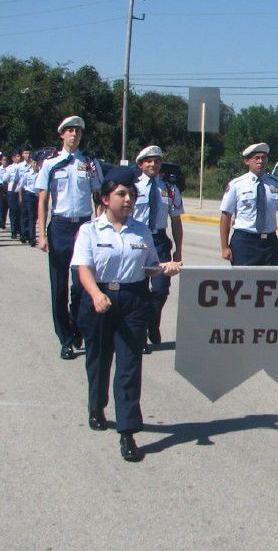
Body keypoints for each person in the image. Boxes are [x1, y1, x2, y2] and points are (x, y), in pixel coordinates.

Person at [72, 165, 181, 462]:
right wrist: (96, 294)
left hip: (134, 299)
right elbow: (83, 268)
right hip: (99, 297)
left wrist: (164, 268)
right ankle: (97, 405)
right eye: (122, 194)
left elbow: (148, 266)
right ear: (106, 199)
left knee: (130, 366)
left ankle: (127, 431)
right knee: (98, 359)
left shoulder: (141, 230)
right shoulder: (89, 230)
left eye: (132, 194)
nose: (129, 199)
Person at [35, 116, 103, 360]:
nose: (75, 134)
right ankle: (65, 337)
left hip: (84, 227)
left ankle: (78, 327)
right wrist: (42, 234)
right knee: (59, 286)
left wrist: (98, 225)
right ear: (62, 135)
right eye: (70, 130)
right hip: (61, 226)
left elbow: (99, 197)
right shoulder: (50, 164)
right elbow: (43, 200)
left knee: (82, 284)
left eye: (78, 131)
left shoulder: (89, 163)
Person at [132, 145, 184, 351]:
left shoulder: (169, 189)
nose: (153, 164)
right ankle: (142, 333)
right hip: (136, 240)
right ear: (140, 164)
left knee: (161, 289)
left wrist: (178, 249)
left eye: (157, 161)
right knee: (139, 290)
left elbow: (176, 220)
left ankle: (152, 322)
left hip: (160, 241)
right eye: (149, 161)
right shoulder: (132, 187)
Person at [219, 142, 278, 266]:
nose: (260, 161)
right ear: (247, 161)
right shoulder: (237, 185)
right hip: (244, 242)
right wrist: (225, 247)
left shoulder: (276, 184)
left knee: (270, 283)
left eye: (264, 158)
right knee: (244, 283)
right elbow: (225, 217)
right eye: (256, 158)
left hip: (269, 243)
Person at [18, 151, 42, 246]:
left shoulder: (41, 173)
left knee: (33, 217)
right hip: (28, 195)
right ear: (32, 163)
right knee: (26, 216)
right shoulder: (27, 173)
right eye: (34, 162)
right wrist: (20, 197)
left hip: (37, 196)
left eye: (37, 162)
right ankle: (27, 235)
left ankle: (30, 235)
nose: (36, 164)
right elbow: (21, 186)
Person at [0, 154, 10, 229]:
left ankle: (3, 221)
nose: (5, 162)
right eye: (3, 160)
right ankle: (1, 220)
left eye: (6, 160)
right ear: (1, 161)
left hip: (8, 187)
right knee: (1, 205)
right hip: (0, 187)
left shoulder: (10, 168)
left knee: (6, 205)